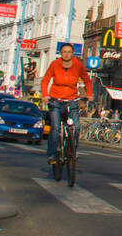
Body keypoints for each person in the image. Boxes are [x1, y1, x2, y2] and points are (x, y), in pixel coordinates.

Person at [39, 43, 92, 174]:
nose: (67, 54)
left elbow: (87, 80)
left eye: (69, 51)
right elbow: (45, 81)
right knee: (56, 128)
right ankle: (52, 155)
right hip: (56, 100)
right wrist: (45, 95)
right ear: (61, 53)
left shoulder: (78, 65)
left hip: (72, 101)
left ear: (72, 53)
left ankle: (73, 151)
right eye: (64, 52)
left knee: (76, 127)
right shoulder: (54, 64)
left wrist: (89, 94)